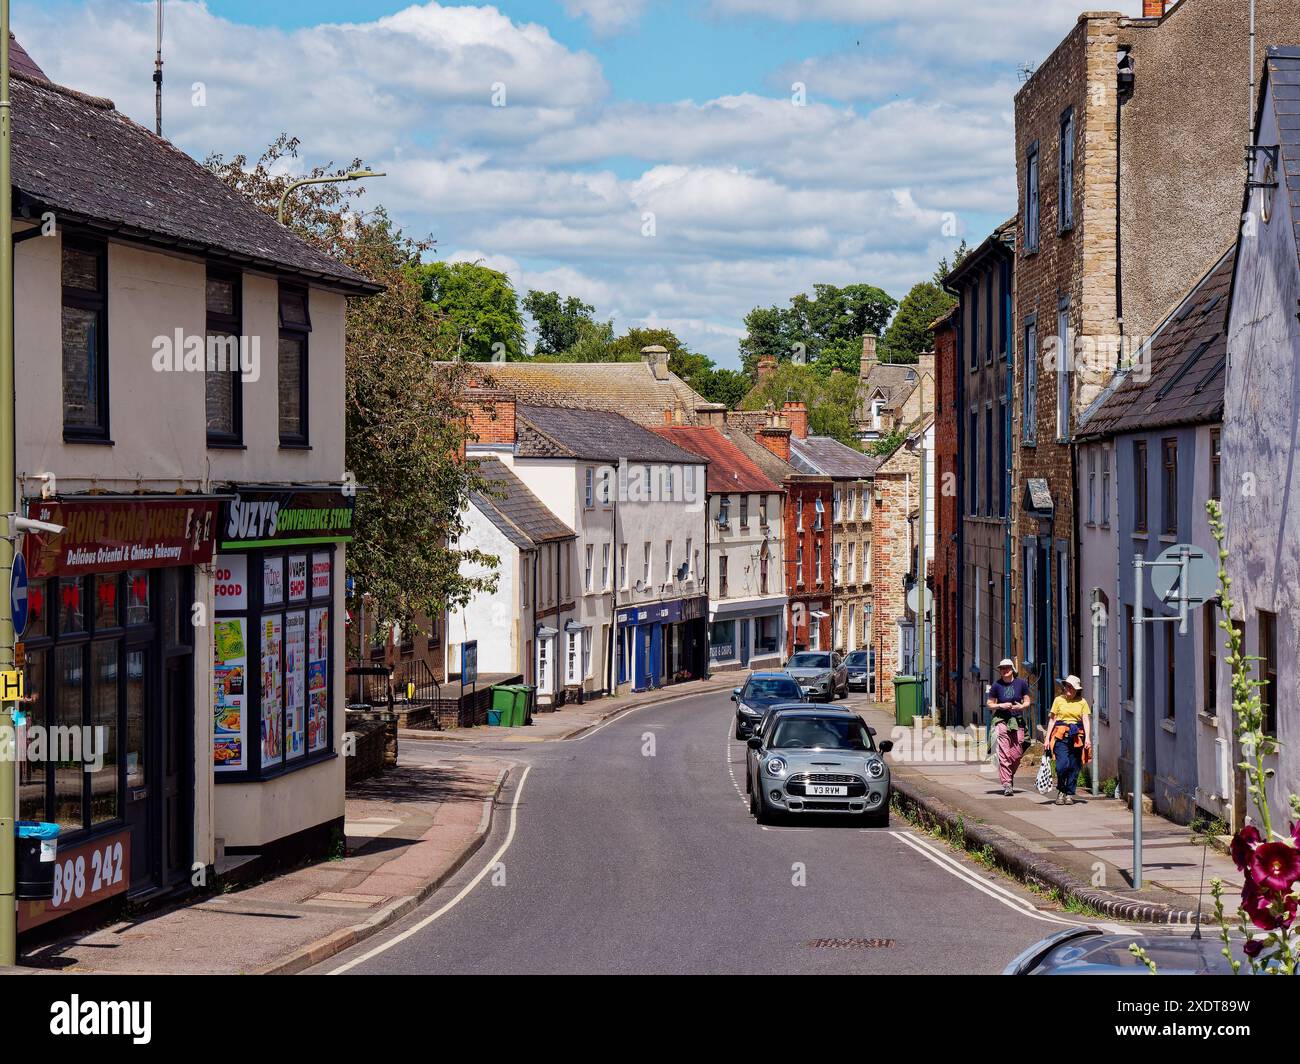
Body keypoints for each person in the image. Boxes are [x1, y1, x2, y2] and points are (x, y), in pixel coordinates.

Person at [986, 658, 1031, 796]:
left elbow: (1027, 700)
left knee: (1016, 754)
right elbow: (989, 703)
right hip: (1001, 721)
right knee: (1004, 753)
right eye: (1002, 668)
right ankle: (1007, 784)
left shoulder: (1021, 683)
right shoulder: (996, 686)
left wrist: (1021, 706)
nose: (1005, 670)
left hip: (1017, 721)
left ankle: (1009, 776)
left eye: (1007, 668)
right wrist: (1000, 705)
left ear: (1012, 670)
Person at [1044, 675, 1091, 805]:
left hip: (1077, 737)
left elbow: (1086, 720)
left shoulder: (1082, 702)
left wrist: (1087, 738)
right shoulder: (1058, 700)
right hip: (1060, 737)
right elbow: (1052, 719)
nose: (1068, 689)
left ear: (1077, 689)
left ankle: (1069, 794)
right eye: (1067, 686)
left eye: (1071, 687)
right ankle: (1061, 790)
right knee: (1061, 766)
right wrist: (1047, 739)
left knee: (1074, 767)